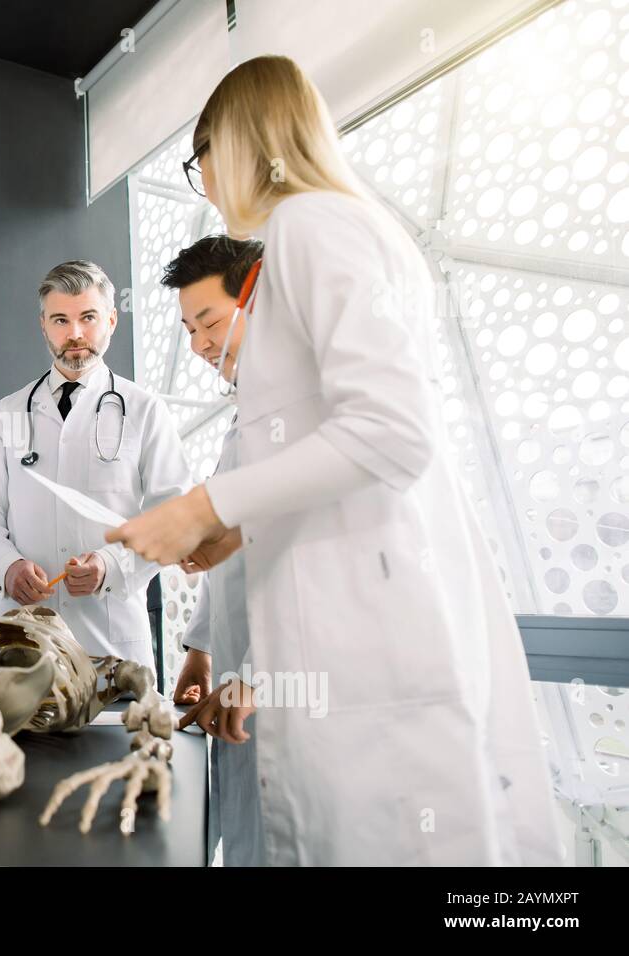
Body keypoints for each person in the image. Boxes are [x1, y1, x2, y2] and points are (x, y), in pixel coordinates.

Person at [106, 56, 561, 865]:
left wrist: (204, 506)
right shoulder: (338, 229)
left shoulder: (311, 226)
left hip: (363, 631)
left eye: (201, 155)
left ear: (241, 140)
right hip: (357, 615)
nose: (202, 178)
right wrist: (235, 530)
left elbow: (391, 430)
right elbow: (333, 444)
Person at [0, 260, 190, 672]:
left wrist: (111, 566)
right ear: (44, 325)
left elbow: (172, 517)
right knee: (20, 733)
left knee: (116, 734)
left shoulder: (145, 410)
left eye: (88, 317)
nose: (75, 334)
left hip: (111, 641)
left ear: (111, 320)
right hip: (25, 639)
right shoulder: (11, 411)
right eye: (61, 320)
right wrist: (5, 565)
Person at [165, 234, 265, 866]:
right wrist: (201, 648)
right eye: (188, 328)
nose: (199, 345)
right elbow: (234, 550)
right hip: (237, 670)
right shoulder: (247, 416)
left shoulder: (298, 415)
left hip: (281, 683)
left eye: (209, 322)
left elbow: (310, 567)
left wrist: (254, 675)